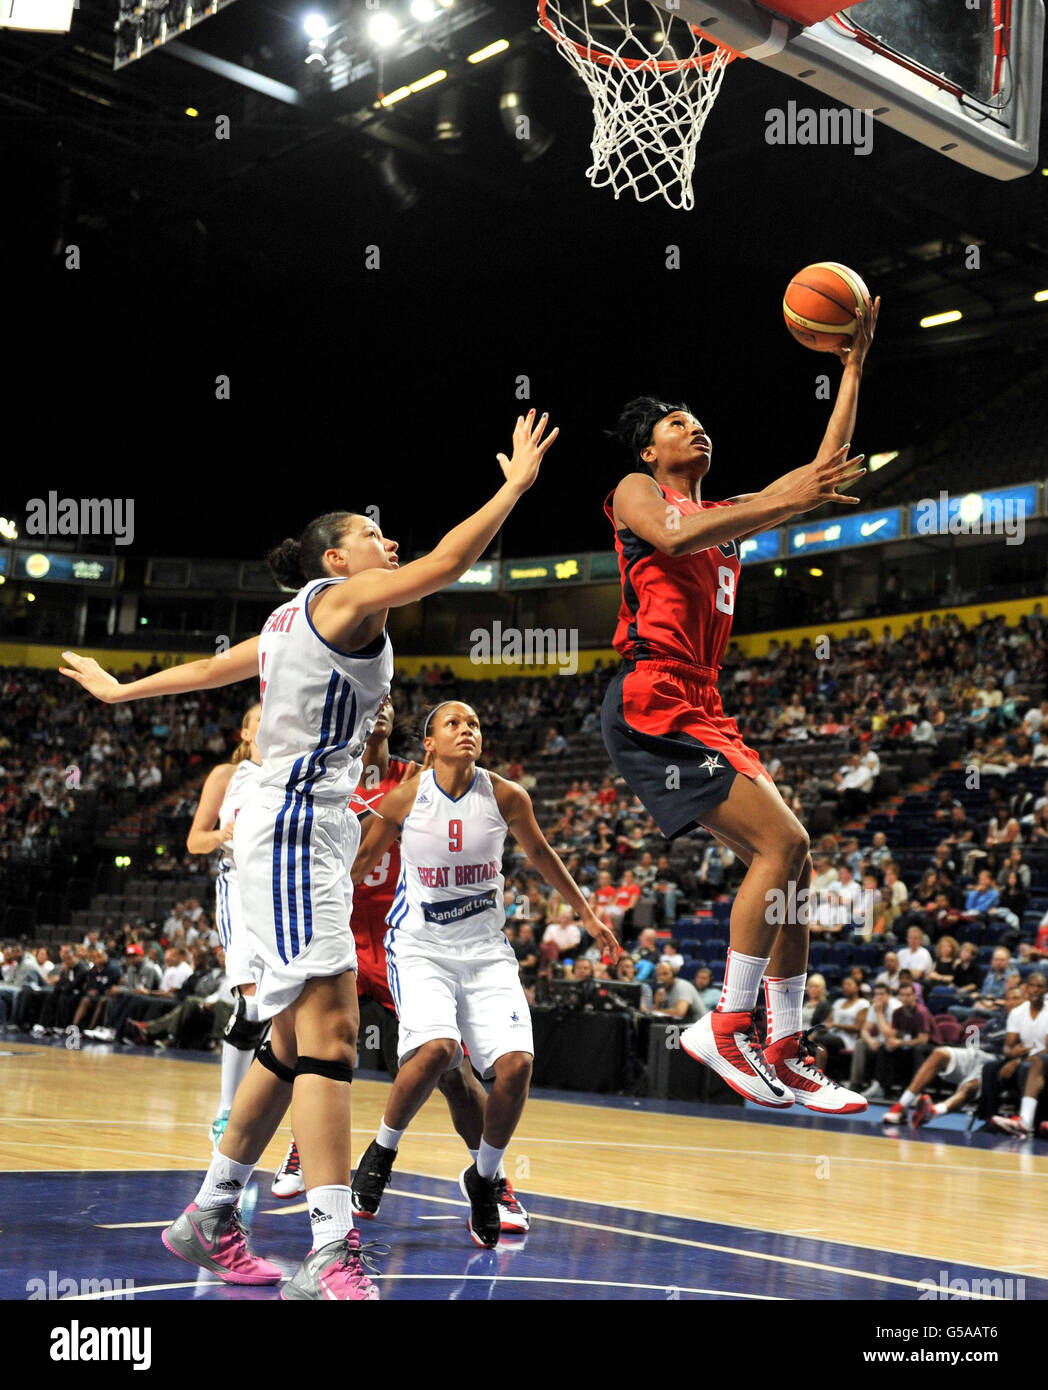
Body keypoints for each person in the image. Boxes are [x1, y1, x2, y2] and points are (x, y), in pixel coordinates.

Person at [59, 407, 559, 1300]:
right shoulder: (346, 600)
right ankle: (331, 1248)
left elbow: (220, 669)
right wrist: (515, 485)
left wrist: (121, 690)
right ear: (337, 558)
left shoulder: (295, 616)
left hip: (304, 832)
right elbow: (446, 565)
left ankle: (210, 1215)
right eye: (372, 534)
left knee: (292, 1044)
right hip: (296, 829)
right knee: (330, 1035)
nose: (388, 539)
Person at [599, 315, 877, 1115]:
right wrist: (778, 499)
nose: (697, 428)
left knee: (799, 862)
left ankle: (786, 1046)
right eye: (678, 424)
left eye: (700, 420)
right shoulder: (636, 493)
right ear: (650, 451)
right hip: (652, 697)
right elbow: (675, 537)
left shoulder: (729, 518)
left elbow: (823, 470)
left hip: (704, 700)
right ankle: (722, 1026)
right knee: (783, 840)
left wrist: (853, 366)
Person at [348, 700, 618, 1248]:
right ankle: (381, 1150)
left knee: (516, 1066)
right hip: (420, 947)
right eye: (454, 723)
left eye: (474, 722)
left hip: (485, 951)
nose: (467, 729)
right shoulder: (404, 797)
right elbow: (354, 868)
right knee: (437, 1050)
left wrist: (586, 913)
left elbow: (542, 856)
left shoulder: (505, 795)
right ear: (429, 743)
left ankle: (485, 1178)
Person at [273, 697, 530, 1234]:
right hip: (341, 927)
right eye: (372, 702)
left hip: (406, 934)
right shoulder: (324, 775)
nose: (382, 706)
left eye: (389, 702)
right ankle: (304, 1148)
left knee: (449, 1065)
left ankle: (492, 1177)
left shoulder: (418, 777)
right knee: (315, 1051)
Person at [185, 701, 267, 1152]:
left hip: (279, 895)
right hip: (236, 888)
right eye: (262, 719)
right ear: (245, 731)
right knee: (252, 1004)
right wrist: (223, 834)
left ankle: (256, 1112)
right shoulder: (226, 776)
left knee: (274, 1013)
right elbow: (196, 840)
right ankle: (226, 1109)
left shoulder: (286, 775)